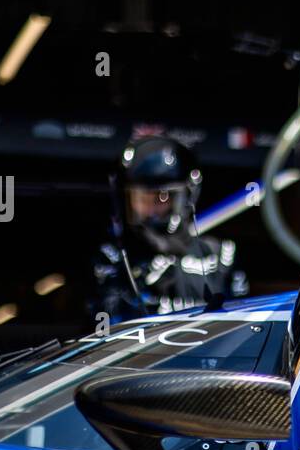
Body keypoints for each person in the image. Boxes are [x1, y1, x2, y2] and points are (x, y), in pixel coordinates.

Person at [92, 135, 247, 322]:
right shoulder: (113, 257)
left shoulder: (221, 254)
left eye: (163, 197)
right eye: (142, 198)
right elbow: (105, 328)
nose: (152, 209)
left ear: (186, 197)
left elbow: (242, 323)